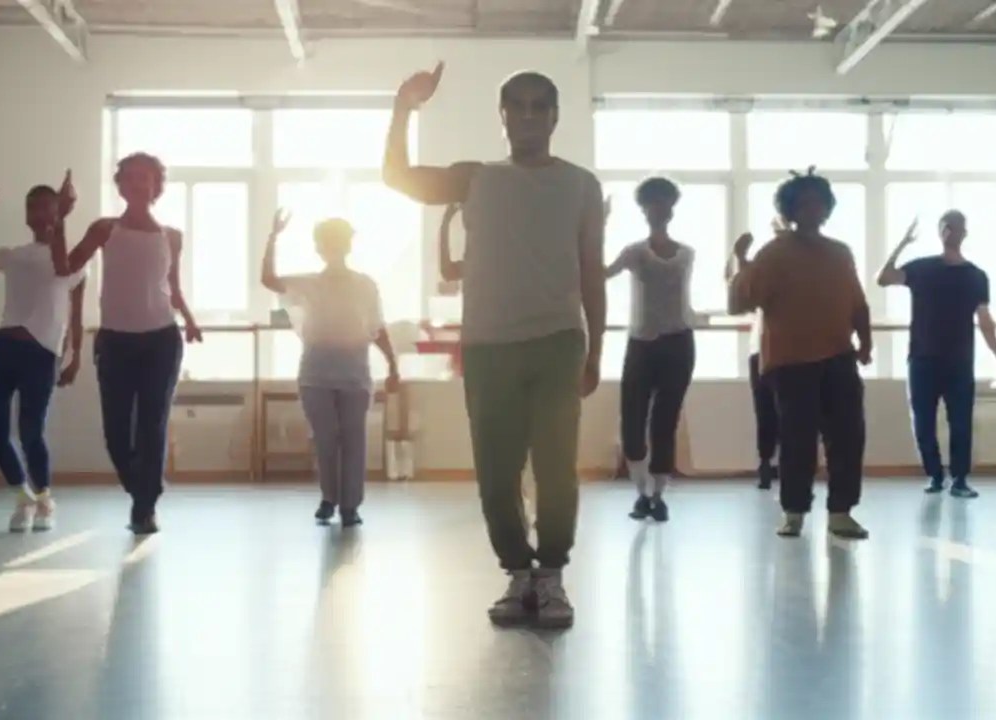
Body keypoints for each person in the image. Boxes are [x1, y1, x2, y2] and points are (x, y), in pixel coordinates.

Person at [383, 63, 605, 630]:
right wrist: (404, 107)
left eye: (540, 106)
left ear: (555, 116)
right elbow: (397, 176)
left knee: (556, 468)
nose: (528, 116)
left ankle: (551, 574)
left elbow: (590, 271)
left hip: (558, 341)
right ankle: (518, 573)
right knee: (496, 470)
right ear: (502, 116)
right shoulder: (475, 178)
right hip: (489, 346)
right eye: (518, 106)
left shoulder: (581, 184)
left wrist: (596, 348)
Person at [727, 169, 871, 540]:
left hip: (838, 356)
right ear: (791, 209)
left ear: (827, 207)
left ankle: (841, 511)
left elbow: (857, 302)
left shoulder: (840, 253)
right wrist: (740, 260)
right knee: (797, 441)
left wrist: (866, 341)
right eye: (803, 202)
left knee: (847, 436)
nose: (812, 208)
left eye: (818, 202)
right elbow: (740, 302)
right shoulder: (775, 253)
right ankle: (794, 511)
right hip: (790, 363)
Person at [68, 152, 204, 535]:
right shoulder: (104, 229)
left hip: (161, 339)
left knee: (152, 425)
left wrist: (190, 322)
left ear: (156, 185)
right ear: (120, 185)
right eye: (128, 177)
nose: (136, 183)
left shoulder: (171, 236)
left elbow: (172, 288)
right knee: (116, 431)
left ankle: (144, 507)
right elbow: (67, 266)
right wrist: (62, 217)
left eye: (144, 177)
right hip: (115, 341)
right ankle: (143, 489)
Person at [0, 175, 86, 532]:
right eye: (32, 207)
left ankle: (44, 500)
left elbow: (75, 313)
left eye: (46, 206)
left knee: (31, 432)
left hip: (42, 353)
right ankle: (23, 497)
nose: (38, 213)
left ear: (57, 212)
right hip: (1, 349)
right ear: (26, 216)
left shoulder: (74, 264)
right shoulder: (12, 254)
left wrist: (76, 357)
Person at [260, 210, 400, 527]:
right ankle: (329, 498)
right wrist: (273, 238)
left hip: (354, 371)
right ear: (319, 247)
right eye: (328, 241)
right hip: (317, 373)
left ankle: (349, 505)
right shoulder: (308, 283)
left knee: (353, 439)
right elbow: (268, 280)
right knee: (325, 439)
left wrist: (393, 365)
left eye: (339, 240)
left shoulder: (365, 284)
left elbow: (377, 327)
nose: (334, 246)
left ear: (348, 245)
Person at [877, 212, 996, 498]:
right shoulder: (921, 268)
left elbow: (985, 319)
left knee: (961, 421)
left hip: (959, 359)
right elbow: (884, 278)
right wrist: (903, 243)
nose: (952, 231)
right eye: (946, 226)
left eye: (957, 226)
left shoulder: (976, 275)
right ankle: (935, 476)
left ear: (965, 232)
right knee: (923, 421)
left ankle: (960, 479)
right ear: (940, 232)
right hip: (922, 358)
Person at [605, 177, 696, 522]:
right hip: (642, 343)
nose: (660, 209)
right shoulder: (634, 252)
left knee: (665, 421)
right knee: (632, 421)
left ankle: (658, 495)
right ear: (643, 210)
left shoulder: (687, 253)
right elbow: (600, 274)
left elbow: (683, 301)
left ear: (672, 208)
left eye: (665, 203)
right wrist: (596, 227)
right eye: (653, 204)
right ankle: (641, 492)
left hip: (679, 341)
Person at [729, 231, 779, 490]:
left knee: (788, 411)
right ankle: (766, 462)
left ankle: (779, 462)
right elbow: (736, 294)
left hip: (789, 350)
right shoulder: (759, 270)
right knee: (765, 409)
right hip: (761, 348)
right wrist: (739, 256)